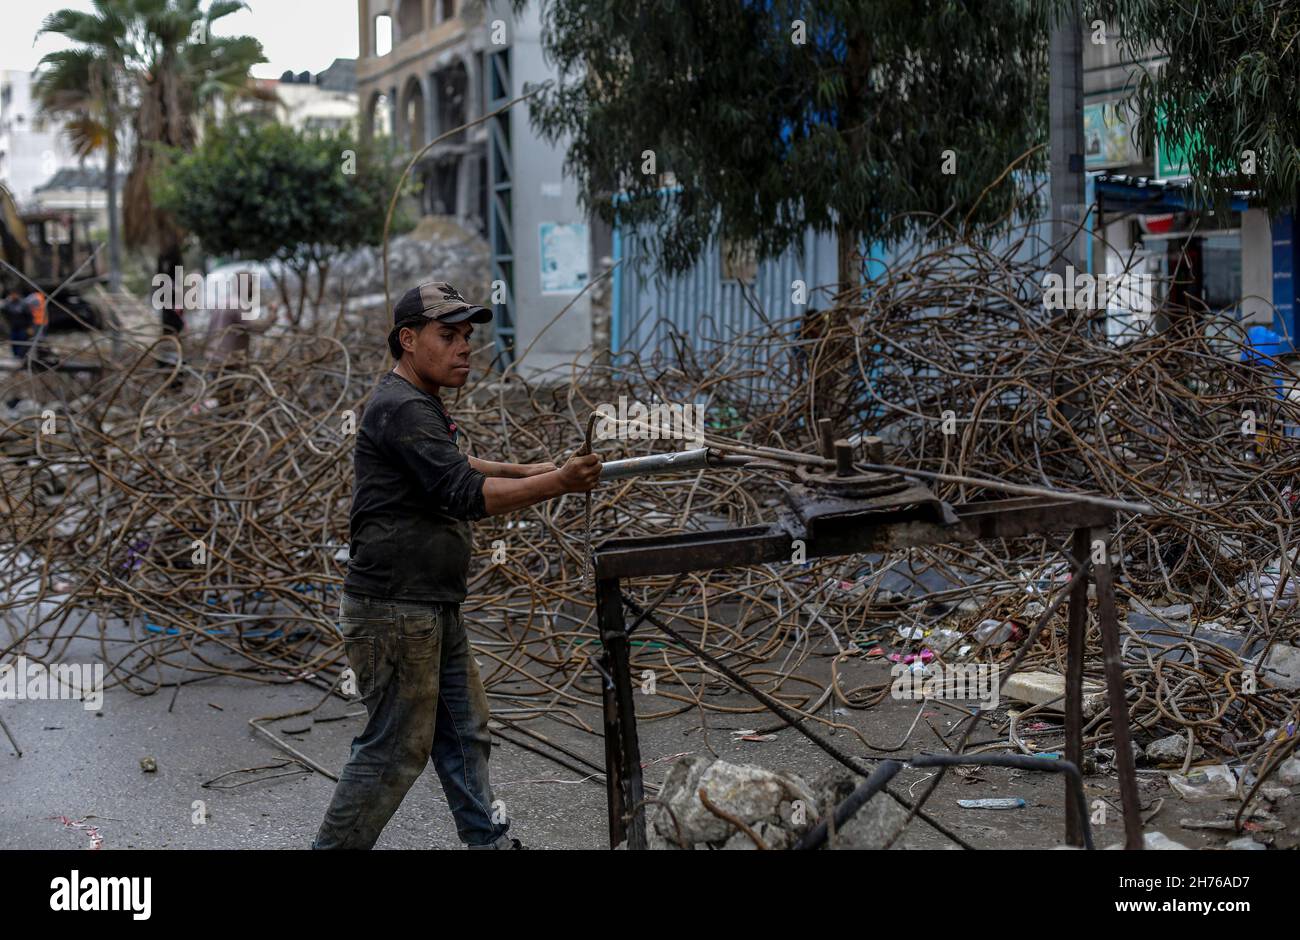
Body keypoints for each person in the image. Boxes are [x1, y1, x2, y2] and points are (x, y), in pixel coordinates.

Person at [312, 280, 602, 850]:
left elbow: (454, 462)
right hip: (395, 611)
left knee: (464, 733)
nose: (465, 347)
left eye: (467, 336)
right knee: (396, 748)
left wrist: (529, 468)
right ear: (408, 339)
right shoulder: (401, 407)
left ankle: (484, 840)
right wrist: (559, 482)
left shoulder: (417, 404)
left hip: (430, 604)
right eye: (448, 336)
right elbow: (464, 492)